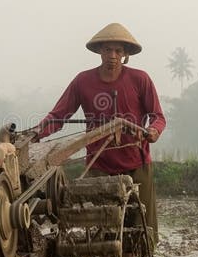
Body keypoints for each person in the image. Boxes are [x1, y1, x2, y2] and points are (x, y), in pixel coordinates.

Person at [36, 23, 166, 240]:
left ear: (125, 54)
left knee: (142, 229)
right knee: (102, 228)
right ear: (99, 52)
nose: (112, 55)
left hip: (136, 163)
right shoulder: (83, 81)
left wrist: (153, 130)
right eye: (107, 50)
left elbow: (158, 116)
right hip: (99, 164)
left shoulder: (139, 79)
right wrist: (35, 133)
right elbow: (58, 116)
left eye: (118, 51)